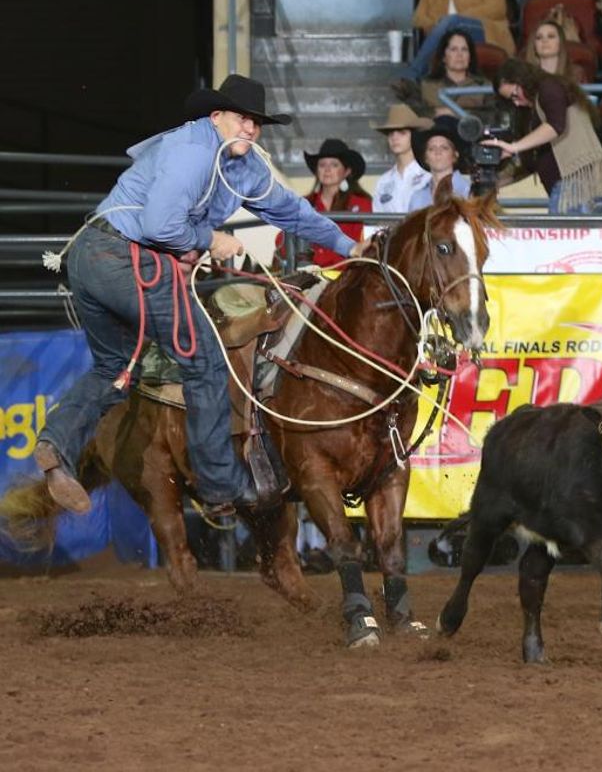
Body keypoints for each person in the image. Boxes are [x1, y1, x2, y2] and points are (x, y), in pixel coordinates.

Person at [33, 74, 364, 518]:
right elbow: (159, 225)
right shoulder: (193, 152)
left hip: (92, 257)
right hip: (124, 260)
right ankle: (221, 482)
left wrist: (346, 246)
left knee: (114, 367)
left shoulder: (243, 167)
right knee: (205, 358)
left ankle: (56, 445)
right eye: (242, 119)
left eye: (257, 123)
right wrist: (212, 239)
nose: (250, 129)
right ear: (216, 117)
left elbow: (291, 211)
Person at [487, 58, 602, 214]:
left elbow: (555, 126)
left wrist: (514, 147)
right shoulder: (534, 110)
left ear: (522, 80)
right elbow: (530, 163)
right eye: (511, 100)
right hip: (569, 186)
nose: (516, 103)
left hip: (576, 185)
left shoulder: (549, 87)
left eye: (515, 95)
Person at [406, 0, 515, 83]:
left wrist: (457, 18)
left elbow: (497, 8)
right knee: (450, 23)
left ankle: (413, 76)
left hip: (484, 32)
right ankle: (419, 81)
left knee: (453, 21)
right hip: (445, 35)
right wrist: (438, 26)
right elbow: (418, 18)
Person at [302, 138, 372, 267]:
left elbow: (366, 246)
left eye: (334, 165)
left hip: (349, 273)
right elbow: (283, 241)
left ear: (347, 171)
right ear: (317, 171)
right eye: (322, 165)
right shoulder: (304, 203)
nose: (327, 169)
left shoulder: (363, 205)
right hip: (311, 272)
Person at [372, 104, 433, 213]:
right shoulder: (383, 181)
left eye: (402, 132)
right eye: (390, 133)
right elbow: (377, 216)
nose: (395, 137)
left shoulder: (428, 176)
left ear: (414, 136)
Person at [408, 115, 472, 210]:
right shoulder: (417, 197)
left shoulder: (469, 191)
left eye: (444, 148)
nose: (438, 152)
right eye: (431, 148)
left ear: (455, 155)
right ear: (425, 158)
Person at [522, 19, 586, 84]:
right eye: (539, 37)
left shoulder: (576, 73)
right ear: (534, 46)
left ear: (560, 43)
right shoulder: (527, 76)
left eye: (551, 36)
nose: (544, 40)